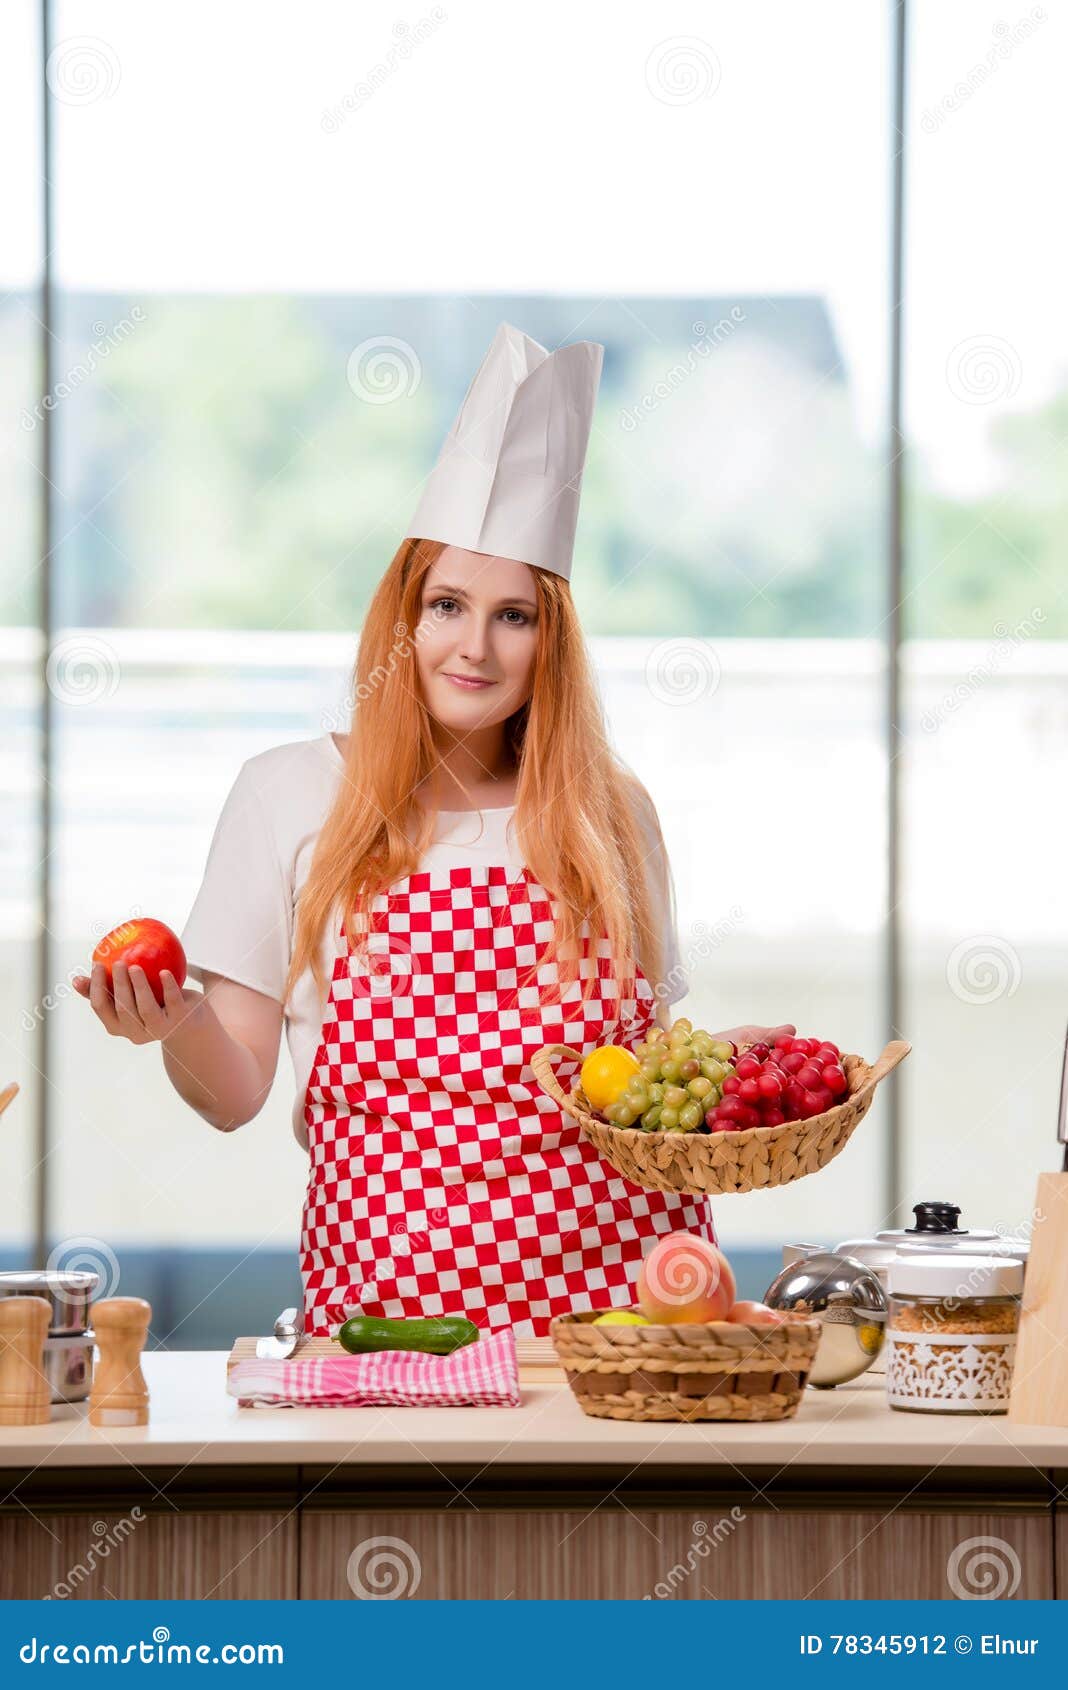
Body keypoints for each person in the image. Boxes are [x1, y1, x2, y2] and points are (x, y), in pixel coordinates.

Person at [73, 323, 792, 1338]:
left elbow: (631, 1088)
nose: (475, 647)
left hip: (625, 1325)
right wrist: (178, 1023)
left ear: (552, 640)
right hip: (393, 1324)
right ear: (402, 619)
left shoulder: (614, 813)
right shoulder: (288, 794)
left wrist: (712, 1068)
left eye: (514, 615)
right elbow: (233, 1095)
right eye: (448, 605)